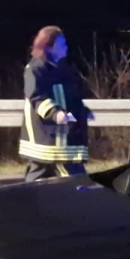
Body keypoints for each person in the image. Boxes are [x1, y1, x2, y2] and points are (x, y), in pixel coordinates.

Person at [19, 26, 94, 181]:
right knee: (71, 178)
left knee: (42, 176)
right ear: (50, 47)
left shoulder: (63, 69)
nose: (66, 47)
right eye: (62, 44)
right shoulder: (35, 69)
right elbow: (36, 96)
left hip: (61, 137)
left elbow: (72, 96)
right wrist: (55, 113)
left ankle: (30, 200)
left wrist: (82, 111)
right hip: (46, 136)